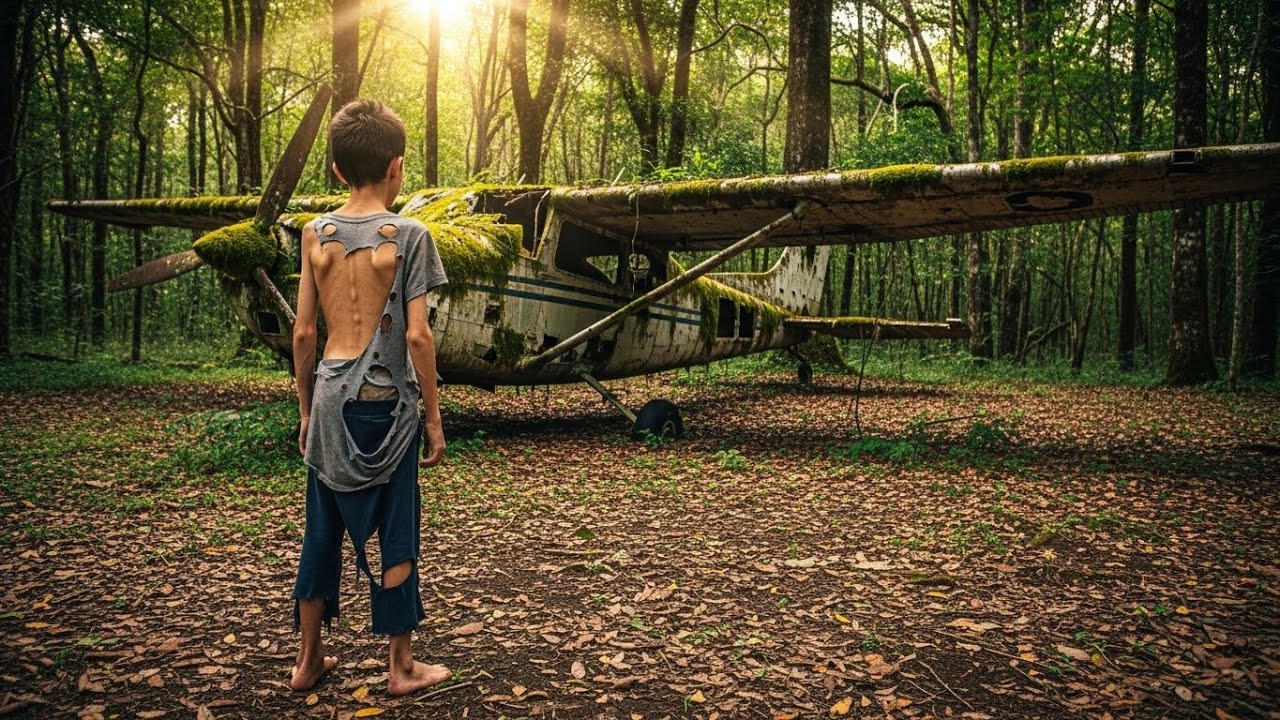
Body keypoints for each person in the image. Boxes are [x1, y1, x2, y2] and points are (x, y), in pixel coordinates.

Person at [289, 98, 450, 696]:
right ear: (397, 166)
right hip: (389, 404)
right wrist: (433, 417)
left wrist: (305, 411)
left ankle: (308, 662)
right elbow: (416, 335)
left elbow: (304, 332)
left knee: (321, 530)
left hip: (331, 398)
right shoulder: (411, 235)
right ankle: (400, 666)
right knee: (398, 529)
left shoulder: (315, 234)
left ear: (335, 170)